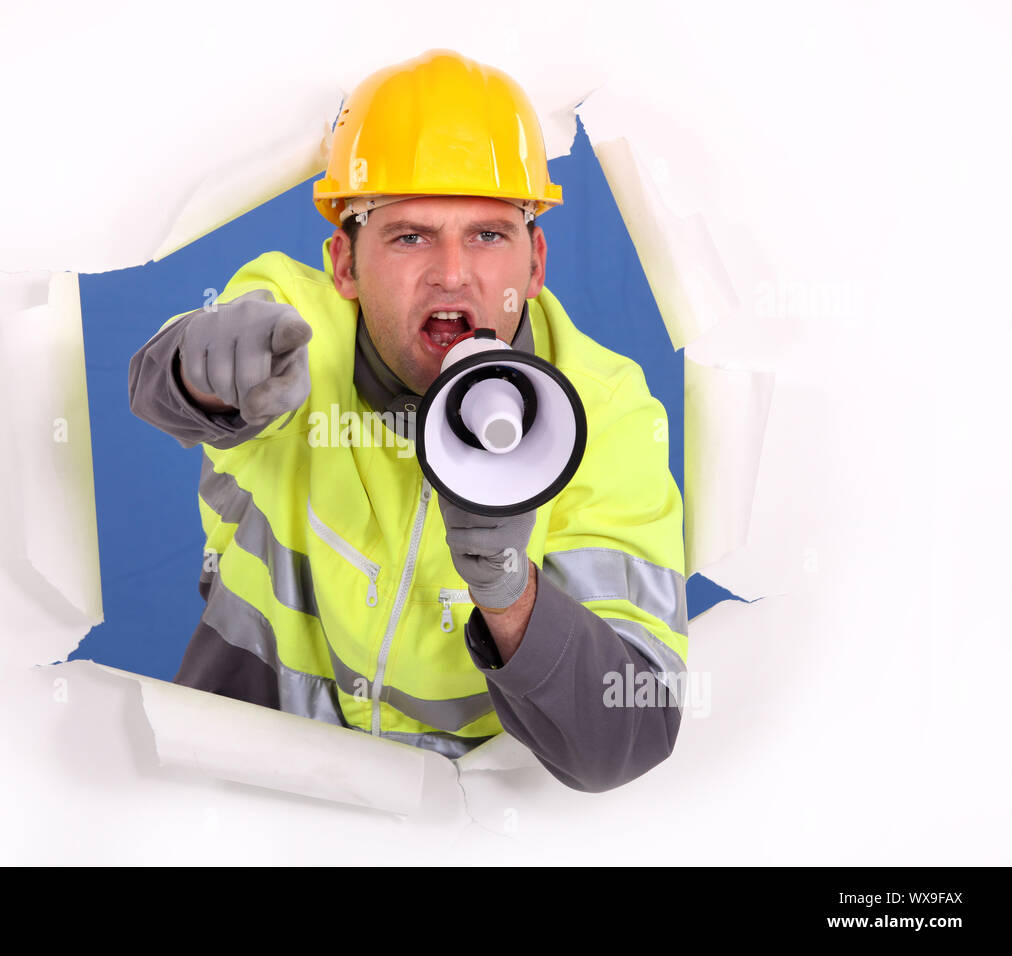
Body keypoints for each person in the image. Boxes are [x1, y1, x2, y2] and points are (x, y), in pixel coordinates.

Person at [128, 50, 688, 792]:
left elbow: (631, 732)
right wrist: (197, 370)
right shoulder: (288, 322)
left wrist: (512, 596)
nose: (453, 273)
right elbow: (152, 387)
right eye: (410, 236)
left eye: (488, 235)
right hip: (242, 783)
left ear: (536, 261)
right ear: (344, 264)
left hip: (449, 829)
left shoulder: (607, 416)